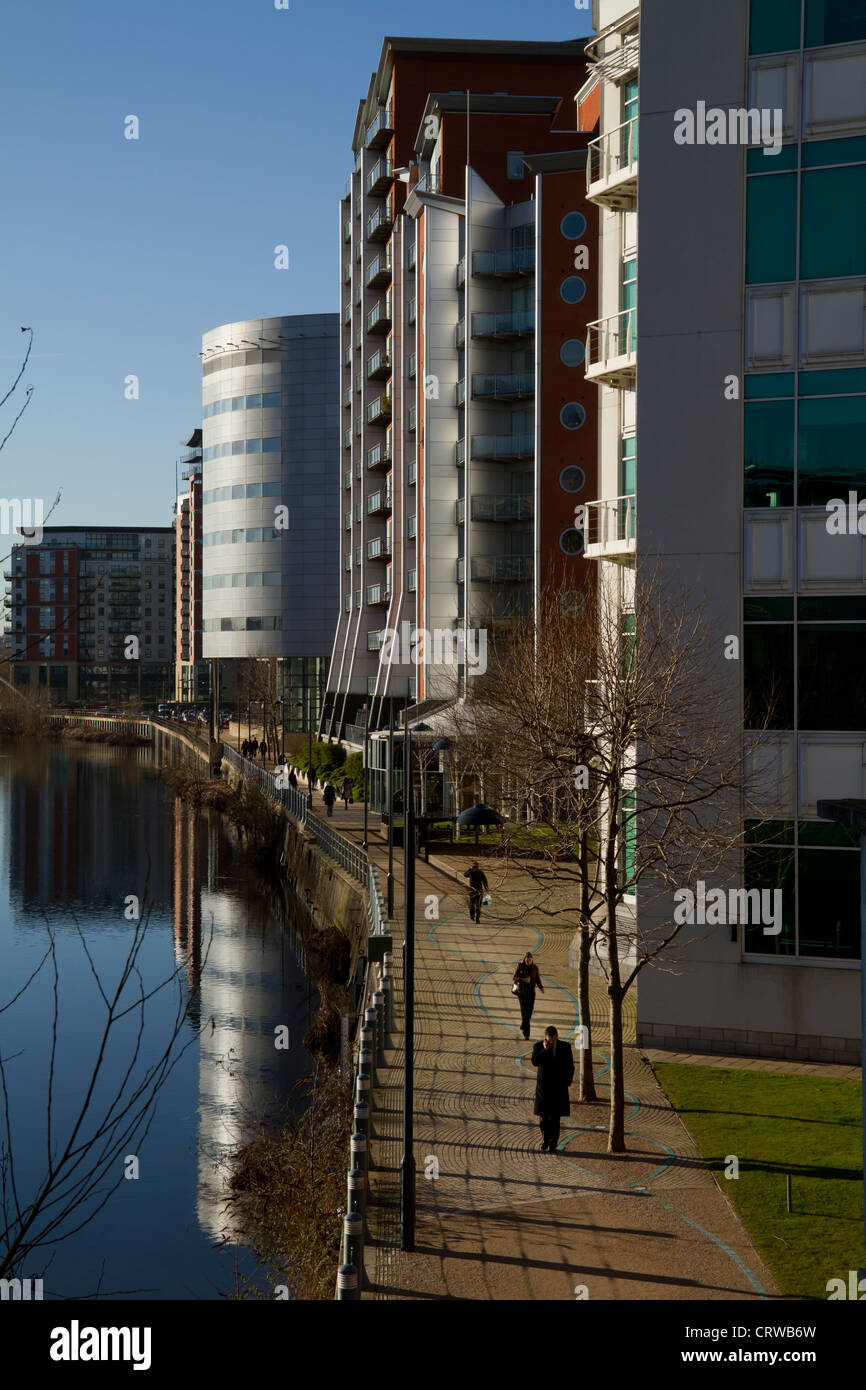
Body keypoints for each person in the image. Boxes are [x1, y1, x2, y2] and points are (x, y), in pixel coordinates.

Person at [530, 1026, 574, 1153]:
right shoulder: (538, 1047)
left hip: (558, 1089)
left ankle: (553, 1143)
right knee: (543, 1119)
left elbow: (570, 1066)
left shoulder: (565, 1047)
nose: (552, 1043)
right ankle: (545, 1139)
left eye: (554, 1041)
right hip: (543, 1090)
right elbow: (534, 1061)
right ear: (545, 1039)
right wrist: (544, 1050)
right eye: (549, 1041)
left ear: (557, 1037)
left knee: (555, 1119)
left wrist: (567, 1082)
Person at [512, 951, 544, 1041]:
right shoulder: (520, 966)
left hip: (531, 992)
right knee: (524, 1011)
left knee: (529, 1012)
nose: (528, 961)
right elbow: (514, 977)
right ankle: (527, 1035)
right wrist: (523, 979)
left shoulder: (535, 968)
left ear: (532, 960)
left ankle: (523, 1024)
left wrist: (541, 987)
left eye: (529, 960)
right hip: (522, 992)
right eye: (526, 960)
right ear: (524, 959)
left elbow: (538, 979)